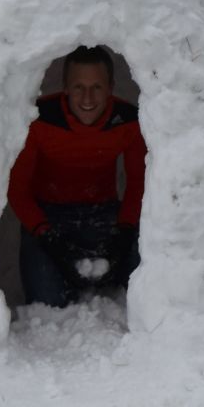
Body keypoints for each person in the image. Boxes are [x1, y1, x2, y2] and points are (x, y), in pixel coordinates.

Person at [7, 45, 144, 307]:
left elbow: (138, 184)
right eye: (79, 87)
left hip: (104, 215)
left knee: (141, 283)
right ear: (65, 87)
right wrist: (49, 239)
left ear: (111, 87)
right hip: (48, 218)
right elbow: (18, 190)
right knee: (47, 304)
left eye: (97, 87)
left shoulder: (128, 121)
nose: (87, 98)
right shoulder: (39, 120)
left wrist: (124, 234)